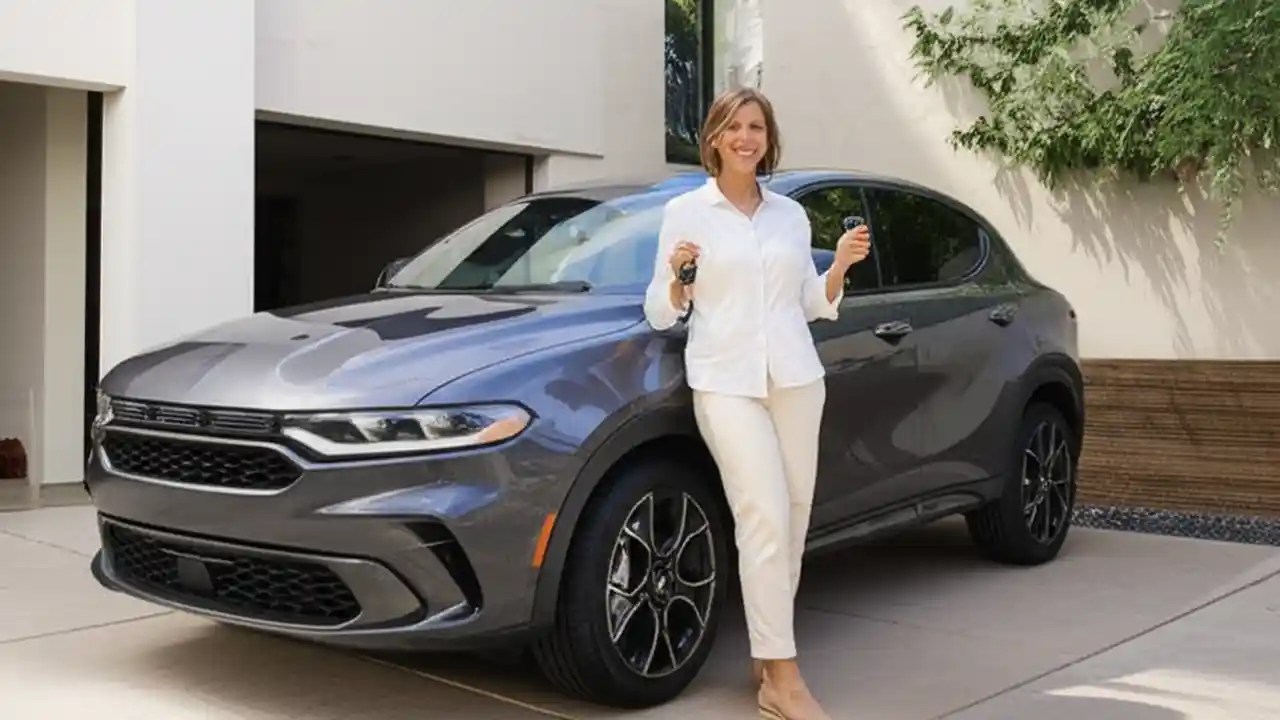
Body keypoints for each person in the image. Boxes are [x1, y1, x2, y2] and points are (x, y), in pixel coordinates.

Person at [643, 87, 871, 720]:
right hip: (725, 382)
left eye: (757, 127)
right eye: (735, 127)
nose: (747, 137)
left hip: (796, 380)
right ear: (714, 137)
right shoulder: (686, 212)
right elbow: (660, 311)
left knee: (792, 521)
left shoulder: (790, 216)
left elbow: (807, 302)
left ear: (768, 139)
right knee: (763, 516)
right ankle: (785, 680)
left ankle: (769, 657)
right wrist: (678, 277)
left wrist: (838, 270)